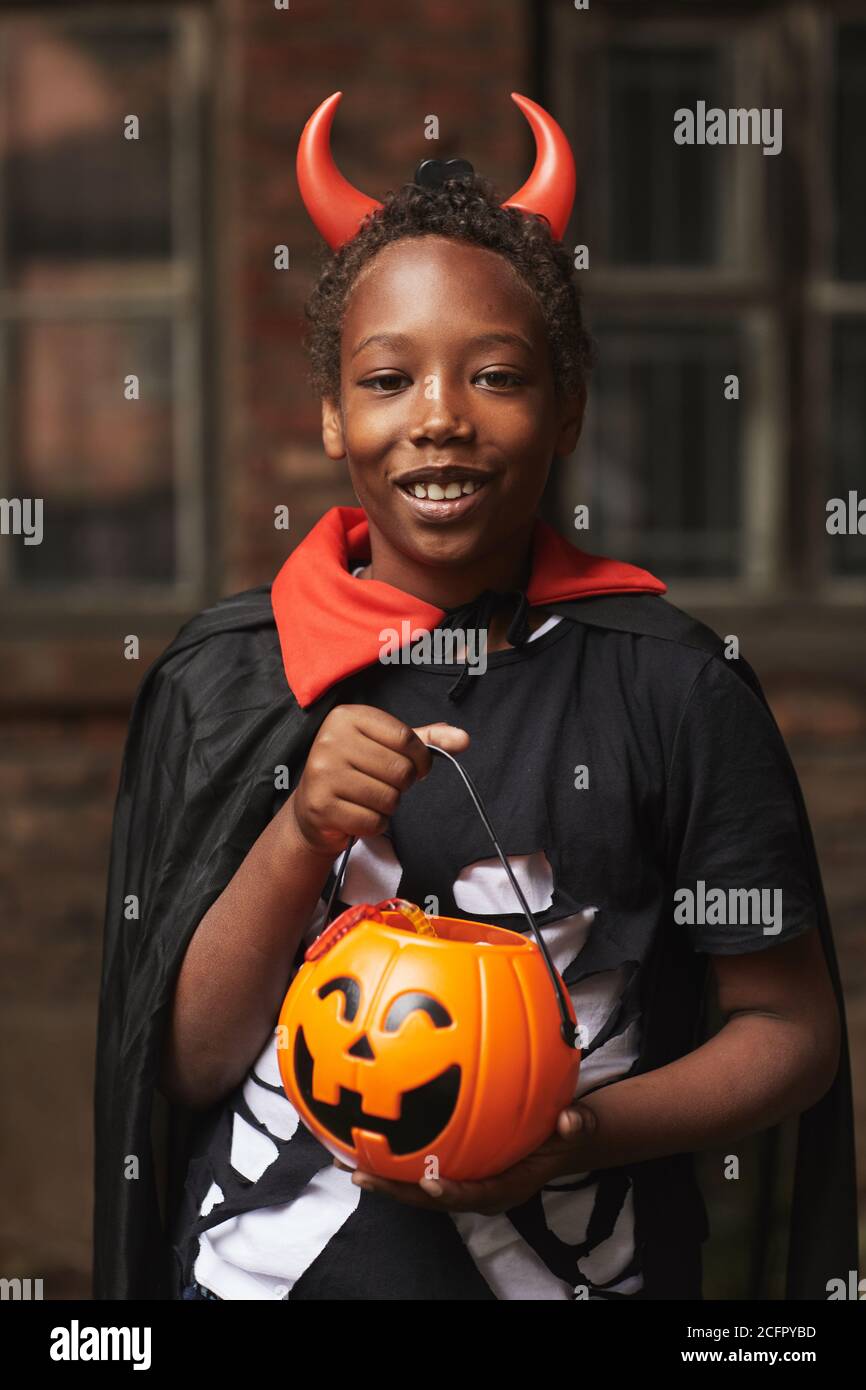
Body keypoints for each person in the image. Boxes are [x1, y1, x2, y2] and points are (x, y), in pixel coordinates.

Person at [93, 94, 857, 1301]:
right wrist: (300, 830)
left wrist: (585, 1132)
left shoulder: (671, 684)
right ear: (335, 417)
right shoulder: (226, 676)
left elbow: (792, 1033)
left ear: (568, 407)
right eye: (388, 379)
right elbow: (181, 1063)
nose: (439, 417)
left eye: (495, 374)